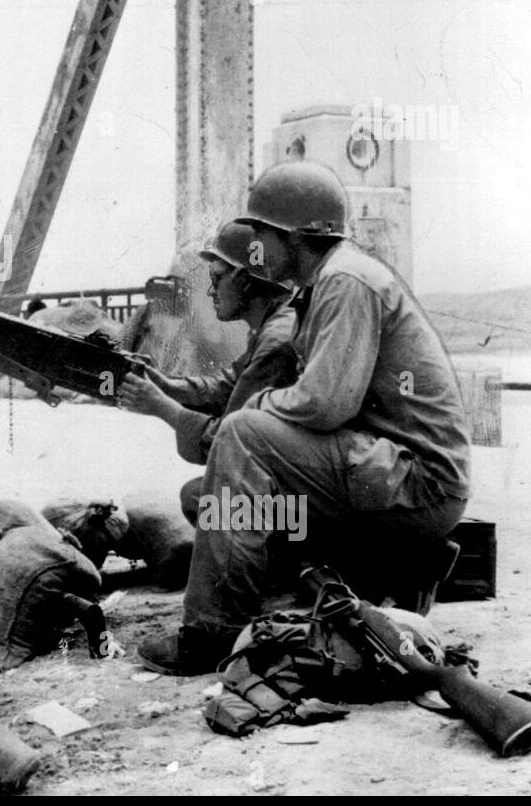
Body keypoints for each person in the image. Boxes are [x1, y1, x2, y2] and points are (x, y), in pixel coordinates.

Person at [132, 159, 471, 675]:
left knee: (245, 435)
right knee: (212, 491)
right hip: (393, 476)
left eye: (261, 233)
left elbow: (323, 402)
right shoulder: (325, 284)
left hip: (417, 482)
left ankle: (212, 633)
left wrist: (255, 410)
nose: (253, 246)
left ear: (290, 235)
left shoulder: (345, 281)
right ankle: (374, 574)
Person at [118, 220, 299, 525]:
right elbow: (228, 384)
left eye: (216, 279)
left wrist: (163, 408)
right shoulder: (273, 327)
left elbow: (233, 440)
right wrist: (167, 386)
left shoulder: (276, 343)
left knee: (202, 498)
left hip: (301, 500)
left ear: (243, 280)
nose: (211, 291)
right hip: (294, 478)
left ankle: (285, 566)